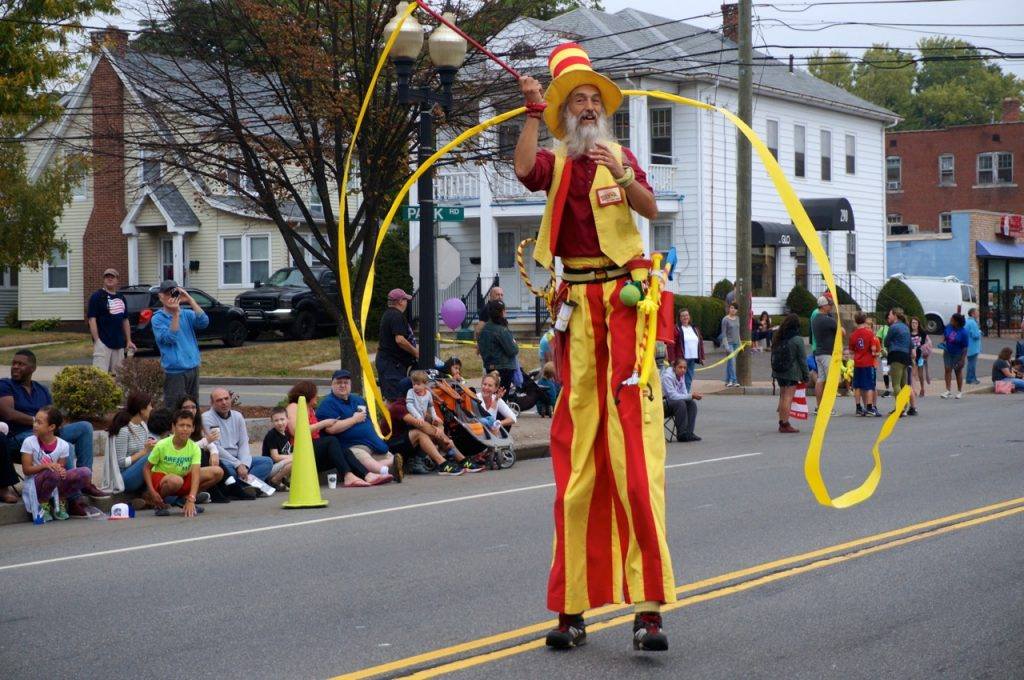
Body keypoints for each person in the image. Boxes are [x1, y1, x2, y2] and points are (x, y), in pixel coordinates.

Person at [515, 47, 673, 652]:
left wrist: (626, 175)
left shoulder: (620, 157)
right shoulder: (554, 162)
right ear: (562, 113)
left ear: (603, 112)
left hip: (626, 311)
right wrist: (531, 112)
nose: (586, 107)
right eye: (575, 100)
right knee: (577, 469)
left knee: (634, 462)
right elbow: (523, 167)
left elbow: (651, 209)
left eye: (593, 100)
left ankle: (649, 608)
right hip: (578, 314)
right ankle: (571, 609)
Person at [0, 349, 107, 511]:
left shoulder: (41, 390)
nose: (15, 367)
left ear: (32, 368)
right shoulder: (6, 385)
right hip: (21, 439)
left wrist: (54, 426)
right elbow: (8, 413)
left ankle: (85, 481)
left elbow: (53, 414)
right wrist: (37, 422)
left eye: (21, 364)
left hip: (48, 433)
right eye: (14, 363)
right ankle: (73, 497)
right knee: (65, 445)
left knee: (85, 427)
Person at [286, 381, 391, 486]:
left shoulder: (311, 410)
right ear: (308, 394)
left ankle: (367, 475)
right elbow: (295, 431)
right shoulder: (294, 406)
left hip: (314, 452)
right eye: (315, 394)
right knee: (331, 441)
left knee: (345, 450)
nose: (317, 397)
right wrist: (323, 423)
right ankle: (348, 476)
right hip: (301, 449)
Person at [141, 409, 224, 517]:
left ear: (193, 428)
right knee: (176, 480)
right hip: (163, 480)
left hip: (182, 477)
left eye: (188, 426)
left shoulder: (194, 448)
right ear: (173, 427)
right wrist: (152, 491)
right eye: (181, 425)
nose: (185, 429)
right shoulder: (162, 445)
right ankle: (158, 502)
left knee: (218, 472)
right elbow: (146, 469)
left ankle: (184, 499)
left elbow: (195, 474)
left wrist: (191, 499)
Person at [316, 370, 397, 477]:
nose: (342, 385)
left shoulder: (358, 400)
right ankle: (383, 471)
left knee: (392, 457)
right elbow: (331, 429)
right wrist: (354, 419)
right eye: (339, 382)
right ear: (332, 385)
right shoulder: (327, 404)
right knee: (363, 458)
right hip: (353, 445)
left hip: (373, 443)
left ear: (350, 385)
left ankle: (384, 467)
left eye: (346, 383)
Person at [20, 406, 92, 522]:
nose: (35, 425)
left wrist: (62, 471)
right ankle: (44, 504)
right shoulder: (29, 442)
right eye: (35, 421)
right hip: (36, 483)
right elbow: (26, 470)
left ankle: (61, 500)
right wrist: (46, 466)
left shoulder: (63, 445)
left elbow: (60, 467)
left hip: (53, 479)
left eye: (39, 423)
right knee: (52, 473)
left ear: (52, 427)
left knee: (85, 473)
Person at [386, 397, 481, 476]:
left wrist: (436, 424)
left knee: (433, 431)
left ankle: (462, 460)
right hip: (391, 445)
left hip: (405, 441)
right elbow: (420, 424)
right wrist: (440, 435)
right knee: (420, 433)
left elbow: (435, 421)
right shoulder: (398, 407)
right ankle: (442, 464)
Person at [151, 279, 209, 405]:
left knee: (193, 407)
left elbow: (204, 322)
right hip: (175, 372)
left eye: (173, 293)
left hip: (192, 368)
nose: (170, 296)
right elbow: (170, 338)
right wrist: (176, 313)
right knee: (175, 409)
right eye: (167, 294)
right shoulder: (158, 318)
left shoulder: (187, 314)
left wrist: (189, 299)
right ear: (161, 296)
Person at [202, 387, 274, 488]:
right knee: (229, 471)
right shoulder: (207, 418)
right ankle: (248, 486)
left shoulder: (238, 416)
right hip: (223, 460)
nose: (224, 402)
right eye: (219, 400)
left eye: (226, 398)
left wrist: (244, 464)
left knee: (266, 462)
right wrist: (237, 464)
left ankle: (242, 487)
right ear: (212, 403)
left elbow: (243, 443)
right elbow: (216, 447)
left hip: (239, 458)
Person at [87, 267, 136, 374]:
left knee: (120, 377)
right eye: (107, 277)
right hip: (103, 343)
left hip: (119, 343)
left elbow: (125, 320)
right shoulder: (97, 296)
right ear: (104, 280)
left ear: (117, 280)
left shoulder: (121, 298)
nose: (109, 279)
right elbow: (92, 319)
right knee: (99, 377)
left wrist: (128, 340)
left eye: (112, 277)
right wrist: (97, 341)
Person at [106, 391, 156, 493]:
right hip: (124, 477)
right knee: (151, 456)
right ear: (142, 409)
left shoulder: (143, 425)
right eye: (150, 405)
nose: (152, 408)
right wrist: (144, 451)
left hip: (139, 473)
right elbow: (121, 462)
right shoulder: (124, 430)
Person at [376, 288, 418, 401]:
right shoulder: (396, 316)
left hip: (391, 364)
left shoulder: (389, 314)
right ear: (400, 301)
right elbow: (399, 339)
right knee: (394, 399)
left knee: (394, 398)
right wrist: (416, 352)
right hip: (391, 366)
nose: (406, 303)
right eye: (405, 300)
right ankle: (390, 419)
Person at [771, 313, 809, 433]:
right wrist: (806, 375)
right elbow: (802, 359)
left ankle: (781, 422)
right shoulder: (797, 339)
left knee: (782, 397)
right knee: (788, 398)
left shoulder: (778, 335)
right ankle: (785, 423)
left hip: (778, 371)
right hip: (791, 372)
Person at [477, 300, 519, 390]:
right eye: (504, 310)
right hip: (504, 368)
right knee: (501, 397)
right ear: (501, 312)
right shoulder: (501, 330)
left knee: (492, 395)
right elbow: (513, 350)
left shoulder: (484, 329)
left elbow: (481, 349)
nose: (505, 312)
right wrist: (515, 344)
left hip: (489, 367)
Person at [885, 308, 917, 416]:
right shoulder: (906, 327)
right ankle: (905, 407)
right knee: (904, 384)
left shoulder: (893, 327)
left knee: (896, 384)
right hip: (905, 357)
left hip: (896, 356)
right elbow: (910, 343)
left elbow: (886, 342)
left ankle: (900, 408)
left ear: (895, 315)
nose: (888, 316)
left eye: (890, 314)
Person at [660, 358, 702, 442]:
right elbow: (672, 396)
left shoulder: (681, 376)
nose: (683, 370)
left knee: (691, 403)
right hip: (662, 405)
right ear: (674, 367)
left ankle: (689, 433)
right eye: (680, 367)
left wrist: (690, 397)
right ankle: (682, 434)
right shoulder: (667, 377)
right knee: (681, 403)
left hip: (673, 404)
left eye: (685, 368)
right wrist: (691, 396)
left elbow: (684, 393)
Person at [849, 312, 882, 417]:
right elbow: (873, 350)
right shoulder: (869, 333)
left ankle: (858, 408)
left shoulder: (853, 335)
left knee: (857, 386)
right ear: (864, 320)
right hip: (867, 362)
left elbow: (851, 350)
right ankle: (869, 407)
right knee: (869, 386)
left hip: (857, 362)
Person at [811, 296, 838, 416]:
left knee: (820, 380)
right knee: (830, 381)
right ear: (823, 306)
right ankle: (828, 408)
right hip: (827, 353)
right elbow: (841, 331)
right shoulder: (827, 319)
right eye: (829, 304)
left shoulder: (815, 318)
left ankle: (819, 406)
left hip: (818, 352)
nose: (831, 306)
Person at [668, 309, 704, 392]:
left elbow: (700, 342)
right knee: (679, 380)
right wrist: (672, 359)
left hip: (692, 358)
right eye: (683, 316)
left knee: (688, 380)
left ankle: (685, 396)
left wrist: (701, 356)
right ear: (679, 318)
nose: (685, 317)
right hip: (681, 359)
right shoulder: (676, 329)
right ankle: (678, 397)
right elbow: (670, 345)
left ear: (689, 316)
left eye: (687, 315)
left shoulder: (694, 328)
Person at [261, 407, 293, 491]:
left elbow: (288, 452)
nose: (280, 423)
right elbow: (275, 457)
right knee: (294, 461)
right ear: (272, 422)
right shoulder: (272, 435)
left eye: (282, 419)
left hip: (280, 466)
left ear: (287, 419)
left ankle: (284, 480)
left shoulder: (287, 433)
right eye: (276, 420)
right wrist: (292, 457)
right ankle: (274, 481)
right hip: (270, 468)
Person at [940, 313, 968, 399]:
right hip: (948, 352)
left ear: (957, 322)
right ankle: (948, 390)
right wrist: (943, 341)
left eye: (952, 319)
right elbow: (944, 335)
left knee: (958, 371)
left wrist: (962, 360)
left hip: (958, 354)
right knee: (947, 369)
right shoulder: (949, 327)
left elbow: (965, 347)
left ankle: (959, 391)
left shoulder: (963, 332)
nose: (950, 320)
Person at [910, 317, 931, 398]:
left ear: (918, 324)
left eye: (915, 323)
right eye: (912, 323)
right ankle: (914, 390)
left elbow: (929, 342)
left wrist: (926, 350)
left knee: (920, 374)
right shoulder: (909, 333)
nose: (914, 324)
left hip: (921, 356)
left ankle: (922, 388)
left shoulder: (922, 333)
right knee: (913, 374)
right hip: (912, 356)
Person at [720, 303, 740, 387]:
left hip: (736, 343)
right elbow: (723, 333)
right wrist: (726, 345)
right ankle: (734, 380)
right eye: (731, 308)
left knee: (730, 363)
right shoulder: (725, 319)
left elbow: (738, 331)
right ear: (729, 309)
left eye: (735, 309)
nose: (733, 310)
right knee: (732, 362)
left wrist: (740, 343)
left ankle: (728, 380)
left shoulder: (737, 318)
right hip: (729, 343)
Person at [965, 308, 983, 385]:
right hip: (973, 346)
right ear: (972, 314)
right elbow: (975, 335)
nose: (978, 313)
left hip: (969, 346)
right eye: (977, 312)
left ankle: (971, 378)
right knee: (972, 364)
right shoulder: (973, 323)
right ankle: (971, 379)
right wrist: (980, 332)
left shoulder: (967, 321)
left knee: (970, 363)